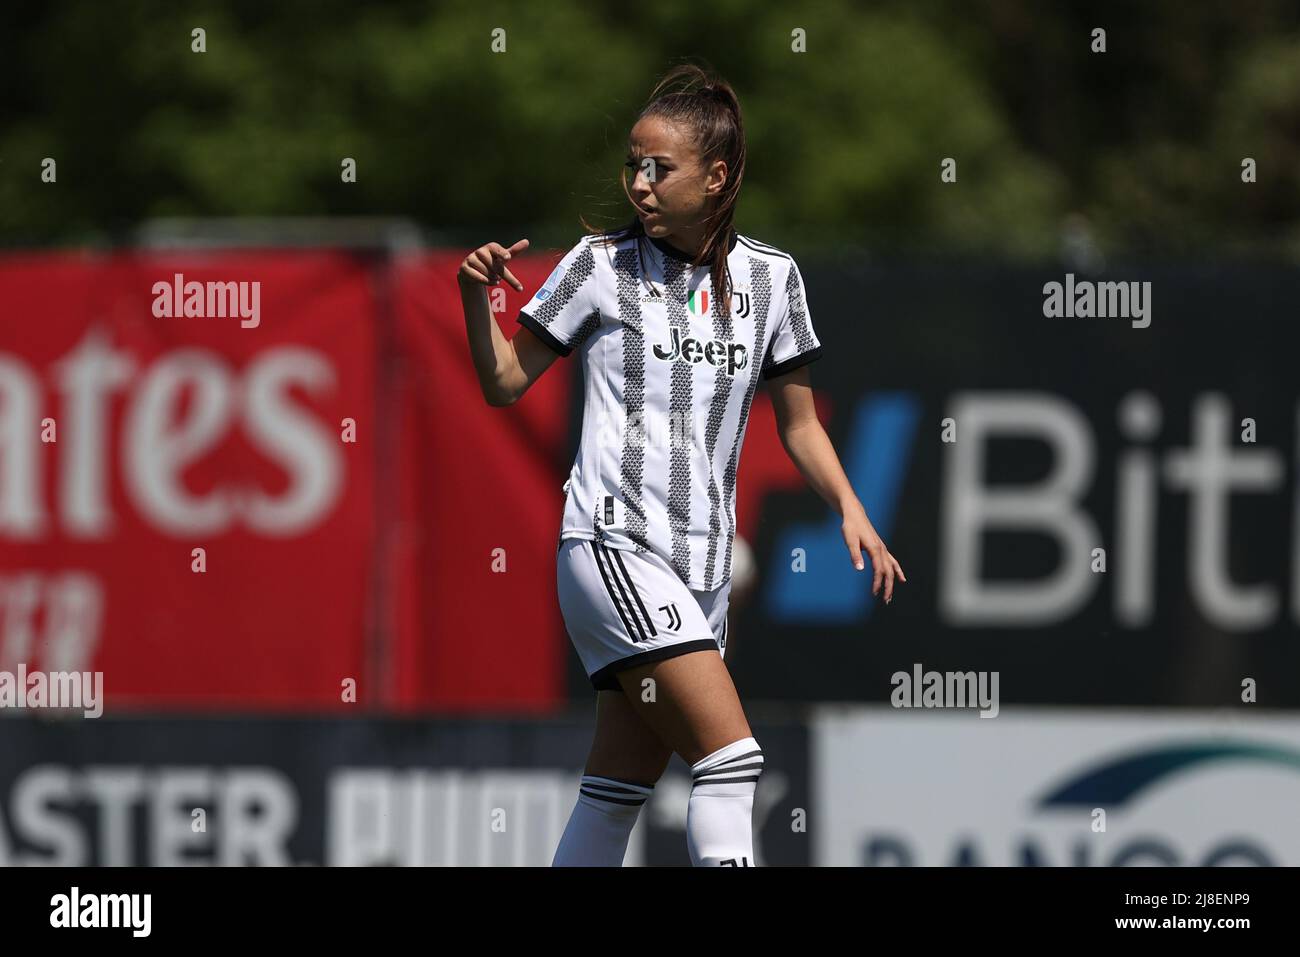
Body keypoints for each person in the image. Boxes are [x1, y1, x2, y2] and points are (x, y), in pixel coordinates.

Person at [457, 63, 904, 867]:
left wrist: (850, 506)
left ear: (718, 175)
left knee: (615, 790)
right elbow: (503, 383)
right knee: (731, 762)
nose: (639, 182)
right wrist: (472, 296)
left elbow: (799, 424)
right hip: (613, 547)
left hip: (701, 573)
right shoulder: (599, 265)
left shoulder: (773, 280)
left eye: (658, 166)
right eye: (632, 163)